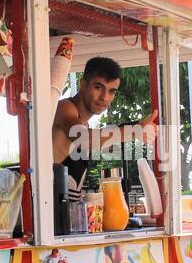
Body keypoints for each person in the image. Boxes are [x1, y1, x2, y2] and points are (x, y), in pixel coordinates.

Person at [51, 56, 159, 188]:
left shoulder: (85, 124)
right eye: (98, 87)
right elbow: (84, 139)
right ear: (83, 84)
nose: (104, 97)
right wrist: (134, 131)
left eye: (111, 91)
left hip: (63, 206)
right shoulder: (64, 108)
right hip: (43, 205)